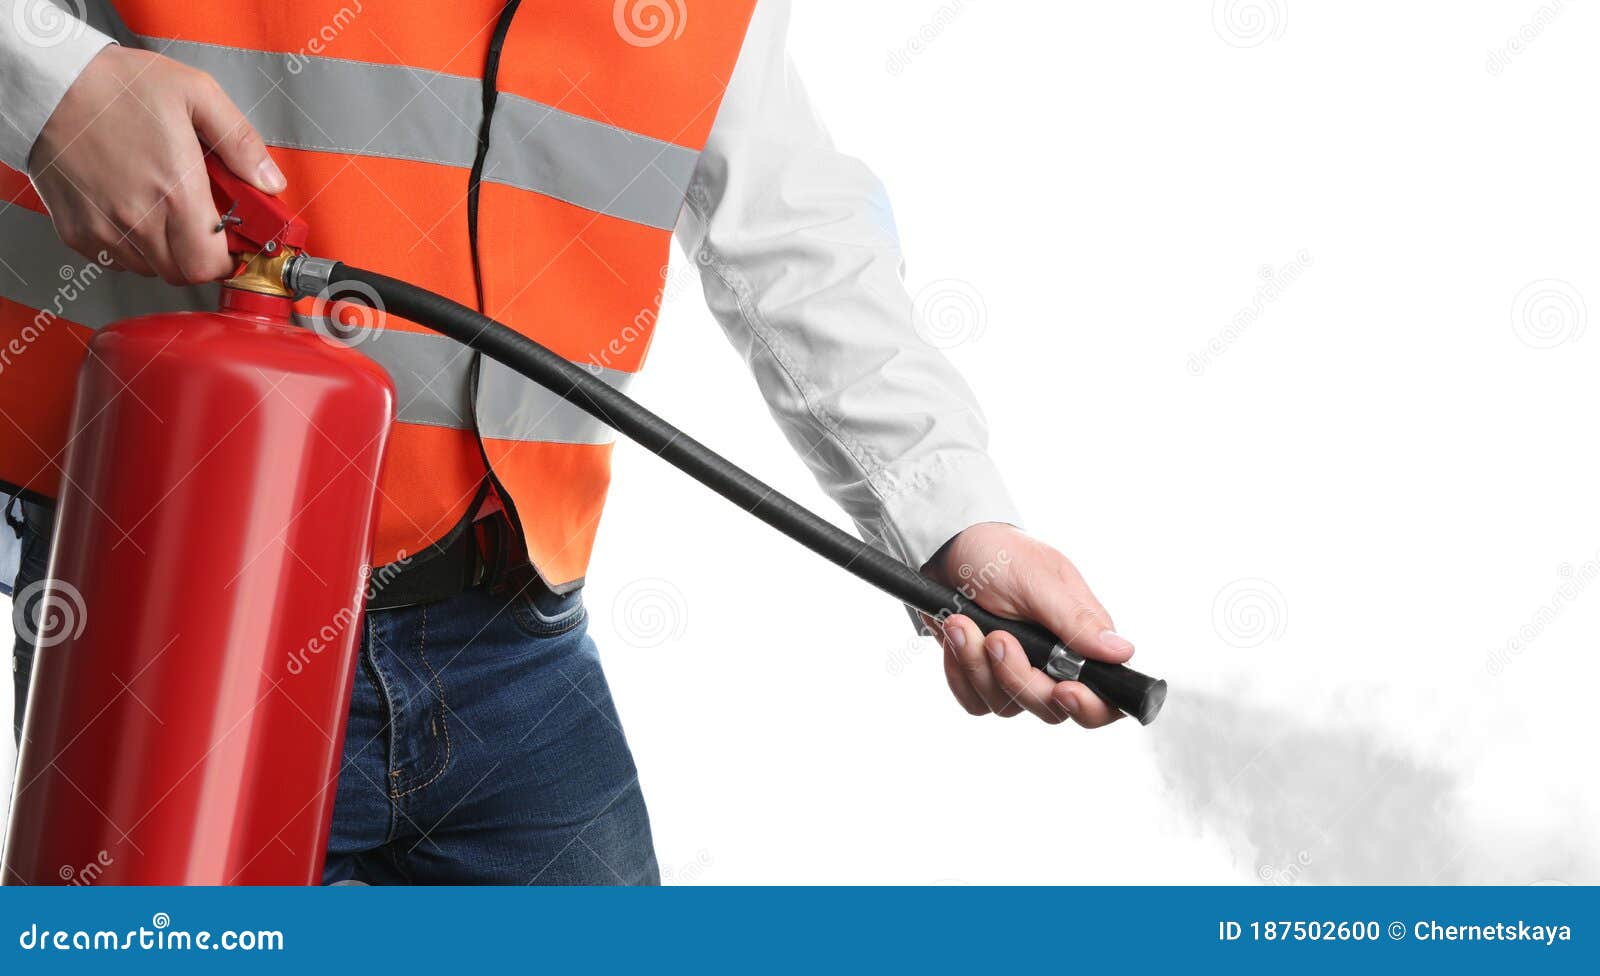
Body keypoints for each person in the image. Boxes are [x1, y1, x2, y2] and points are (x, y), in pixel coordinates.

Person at [0, 0, 1143, 883]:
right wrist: (47, 83)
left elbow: (786, 223)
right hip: (181, 615)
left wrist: (954, 521)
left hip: (513, 636)